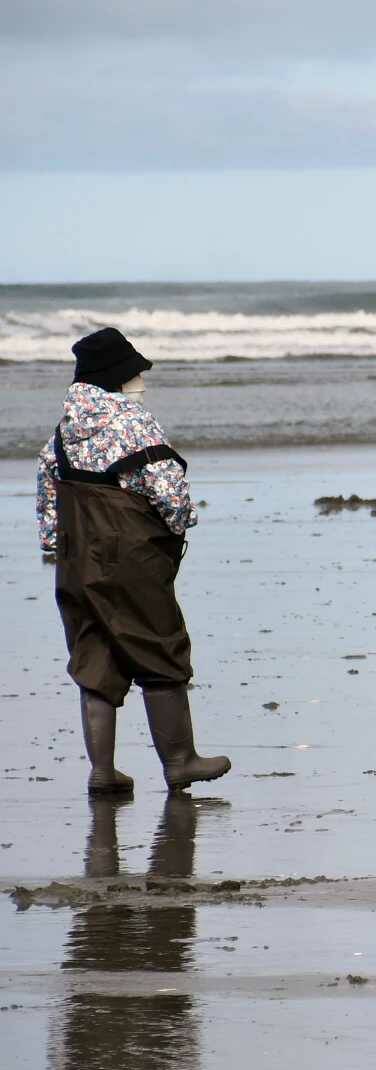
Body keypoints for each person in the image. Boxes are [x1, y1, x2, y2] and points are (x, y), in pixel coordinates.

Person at [36, 327, 231, 795]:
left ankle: (103, 771)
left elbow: (48, 492)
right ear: (117, 377)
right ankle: (180, 760)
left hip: (78, 559)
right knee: (159, 645)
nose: (140, 377)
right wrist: (181, 522)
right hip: (130, 556)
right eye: (135, 370)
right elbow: (167, 485)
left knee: (93, 654)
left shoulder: (64, 430)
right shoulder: (132, 421)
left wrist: (52, 543)